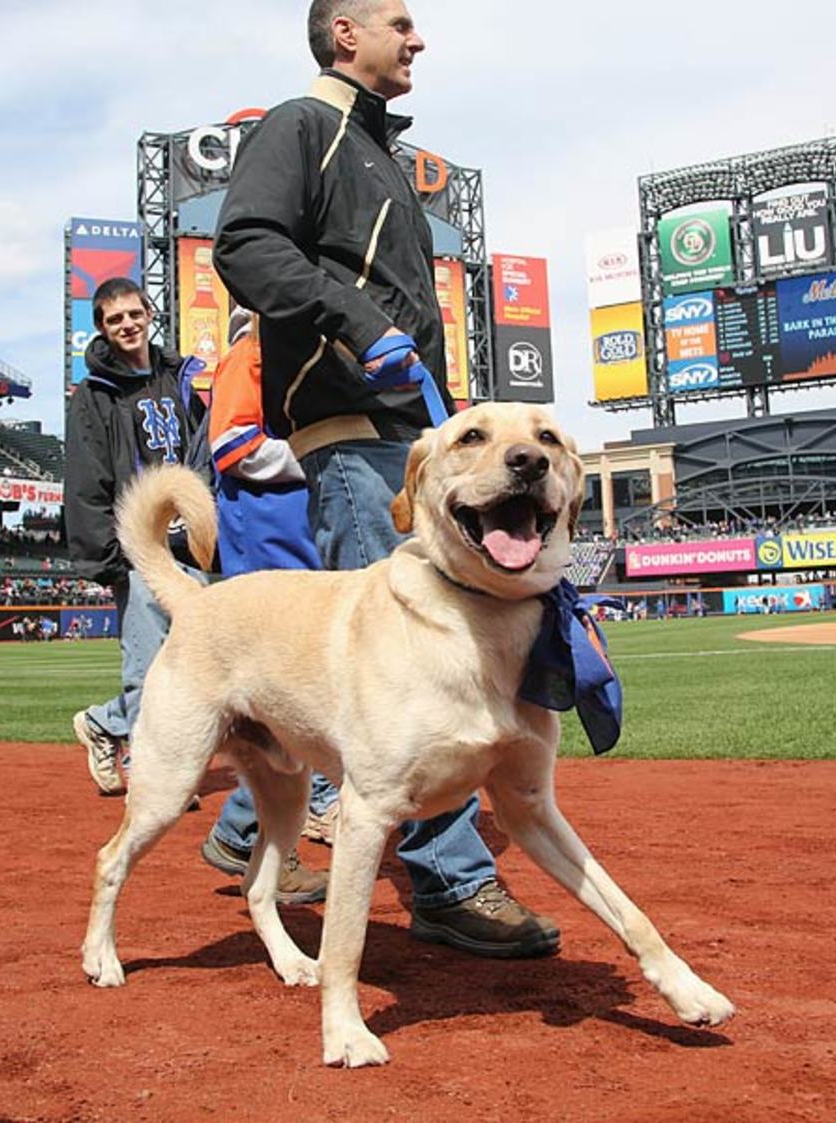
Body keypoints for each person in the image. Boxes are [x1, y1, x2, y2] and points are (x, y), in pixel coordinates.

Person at [212, 0, 558, 958]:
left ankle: (248, 827)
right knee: (410, 680)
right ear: (343, 34)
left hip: (406, 433)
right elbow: (244, 243)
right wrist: (363, 328)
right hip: (355, 430)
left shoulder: (376, 151)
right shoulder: (304, 125)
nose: (418, 39)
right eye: (398, 22)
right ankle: (449, 881)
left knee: (395, 681)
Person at [199, 306, 336, 903]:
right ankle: (248, 835)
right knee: (284, 708)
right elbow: (233, 445)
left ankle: (243, 831)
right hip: (265, 544)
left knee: (296, 707)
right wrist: (316, 451)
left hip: (287, 543)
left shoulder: (273, 357)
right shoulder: (248, 352)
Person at [64, 277, 209, 804]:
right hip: (138, 547)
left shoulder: (180, 378)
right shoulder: (95, 394)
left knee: (197, 660)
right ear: (101, 328)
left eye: (134, 313)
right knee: (148, 662)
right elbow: (87, 477)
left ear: (150, 313)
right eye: (114, 319)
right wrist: (108, 555)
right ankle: (156, 772)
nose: (127, 324)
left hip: (187, 543)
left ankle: (105, 724)